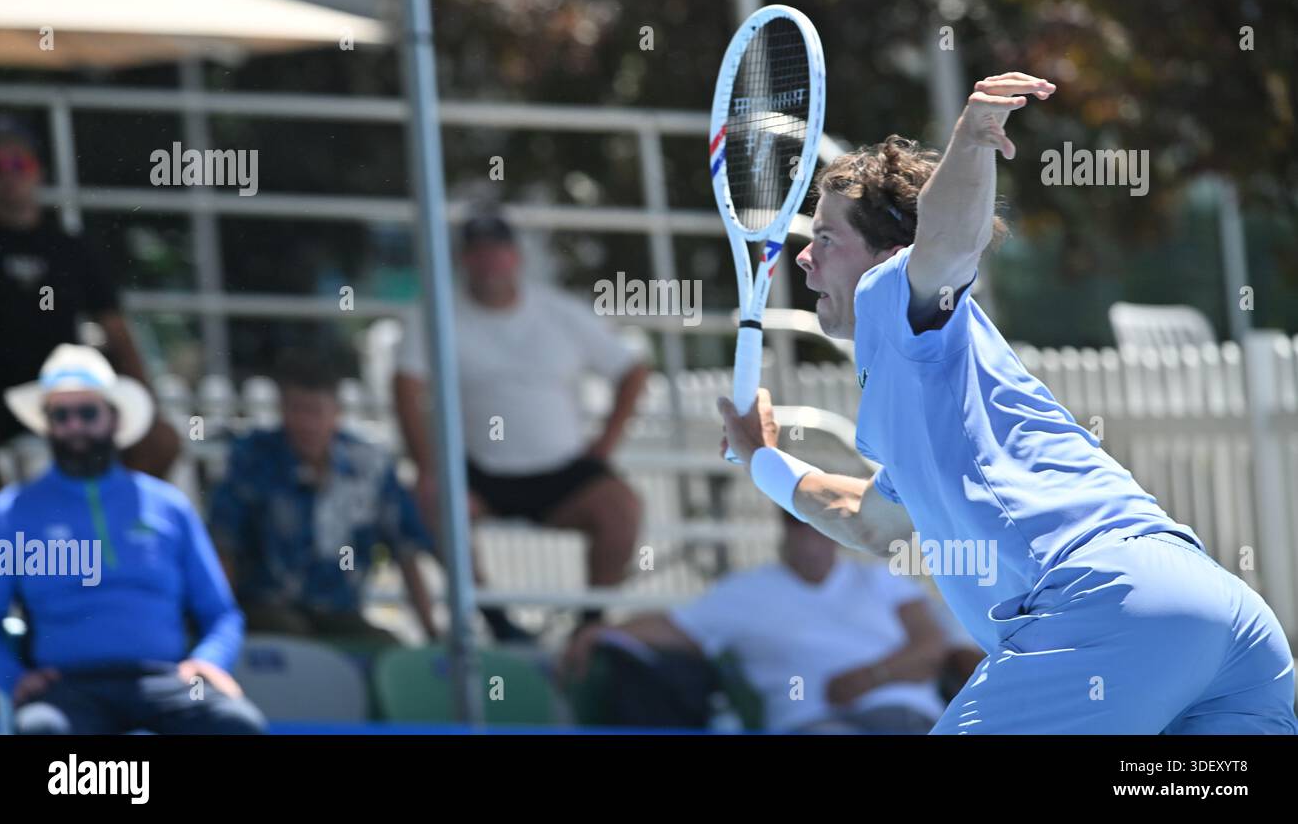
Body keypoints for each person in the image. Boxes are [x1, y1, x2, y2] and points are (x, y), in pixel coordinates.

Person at [717, 72, 1298, 734]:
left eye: (825, 238)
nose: (804, 260)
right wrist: (762, 458)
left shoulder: (892, 292)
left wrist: (969, 140)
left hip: (1106, 608)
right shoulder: (919, 397)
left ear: (888, 253)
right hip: (1228, 627)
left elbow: (947, 245)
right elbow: (867, 520)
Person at [393, 207, 649, 640]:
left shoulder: (559, 311)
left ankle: (589, 629)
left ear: (516, 257)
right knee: (430, 504)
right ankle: (499, 625)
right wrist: (428, 468)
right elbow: (405, 386)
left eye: (497, 251)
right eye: (478, 253)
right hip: (478, 469)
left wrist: (606, 442)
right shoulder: (436, 314)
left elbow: (633, 368)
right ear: (463, 260)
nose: (489, 262)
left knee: (622, 509)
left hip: (561, 469)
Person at [0, 344, 265, 734]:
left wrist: (208, 662)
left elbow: (221, 614)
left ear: (114, 418)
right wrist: (13, 677)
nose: (75, 427)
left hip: (166, 682)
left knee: (238, 724)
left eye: (88, 413)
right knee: (42, 729)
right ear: (47, 424)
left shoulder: (170, 506)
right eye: (61, 414)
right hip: (68, 688)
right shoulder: (12, 512)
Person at [564, 508, 949, 733]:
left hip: (906, 716)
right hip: (812, 722)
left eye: (820, 519)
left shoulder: (883, 580)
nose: (809, 533)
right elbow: (675, 627)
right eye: (797, 519)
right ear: (783, 527)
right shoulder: (741, 592)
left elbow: (931, 647)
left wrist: (870, 677)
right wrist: (601, 630)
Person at [209, 351, 438, 645]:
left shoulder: (371, 465)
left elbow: (406, 551)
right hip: (266, 610)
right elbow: (224, 546)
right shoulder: (251, 459)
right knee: (292, 636)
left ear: (336, 412)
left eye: (315, 410)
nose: (306, 423)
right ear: (281, 408)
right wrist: (218, 627)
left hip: (341, 611)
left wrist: (432, 633)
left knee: (386, 649)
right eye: (296, 409)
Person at [0, 116, 179, 485]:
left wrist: (149, 407)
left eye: (19, 162)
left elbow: (117, 330)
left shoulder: (71, 248)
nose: (9, 174)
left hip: (67, 397)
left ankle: (101, 528)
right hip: (4, 401)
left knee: (161, 444)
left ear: (39, 171)